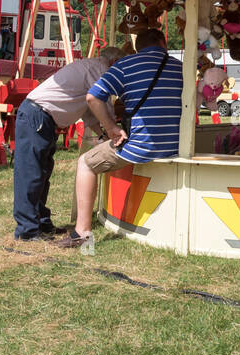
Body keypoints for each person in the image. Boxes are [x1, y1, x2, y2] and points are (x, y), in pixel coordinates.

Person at [55, 27, 183, 249]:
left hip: (142, 146)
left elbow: (93, 97)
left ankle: (82, 233)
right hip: (176, 143)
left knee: (85, 163)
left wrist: (111, 127)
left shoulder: (126, 65)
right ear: (163, 44)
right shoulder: (181, 67)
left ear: (137, 47)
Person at [11, 46, 123, 240]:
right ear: (114, 62)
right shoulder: (100, 69)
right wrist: (113, 129)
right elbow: (100, 102)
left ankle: (41, 223)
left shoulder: (92, 67)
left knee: (42, 173)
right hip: (38, 116)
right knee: (31, 174)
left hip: (41, 117)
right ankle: (27, 231)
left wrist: (104, 134)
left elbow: (90, 114)